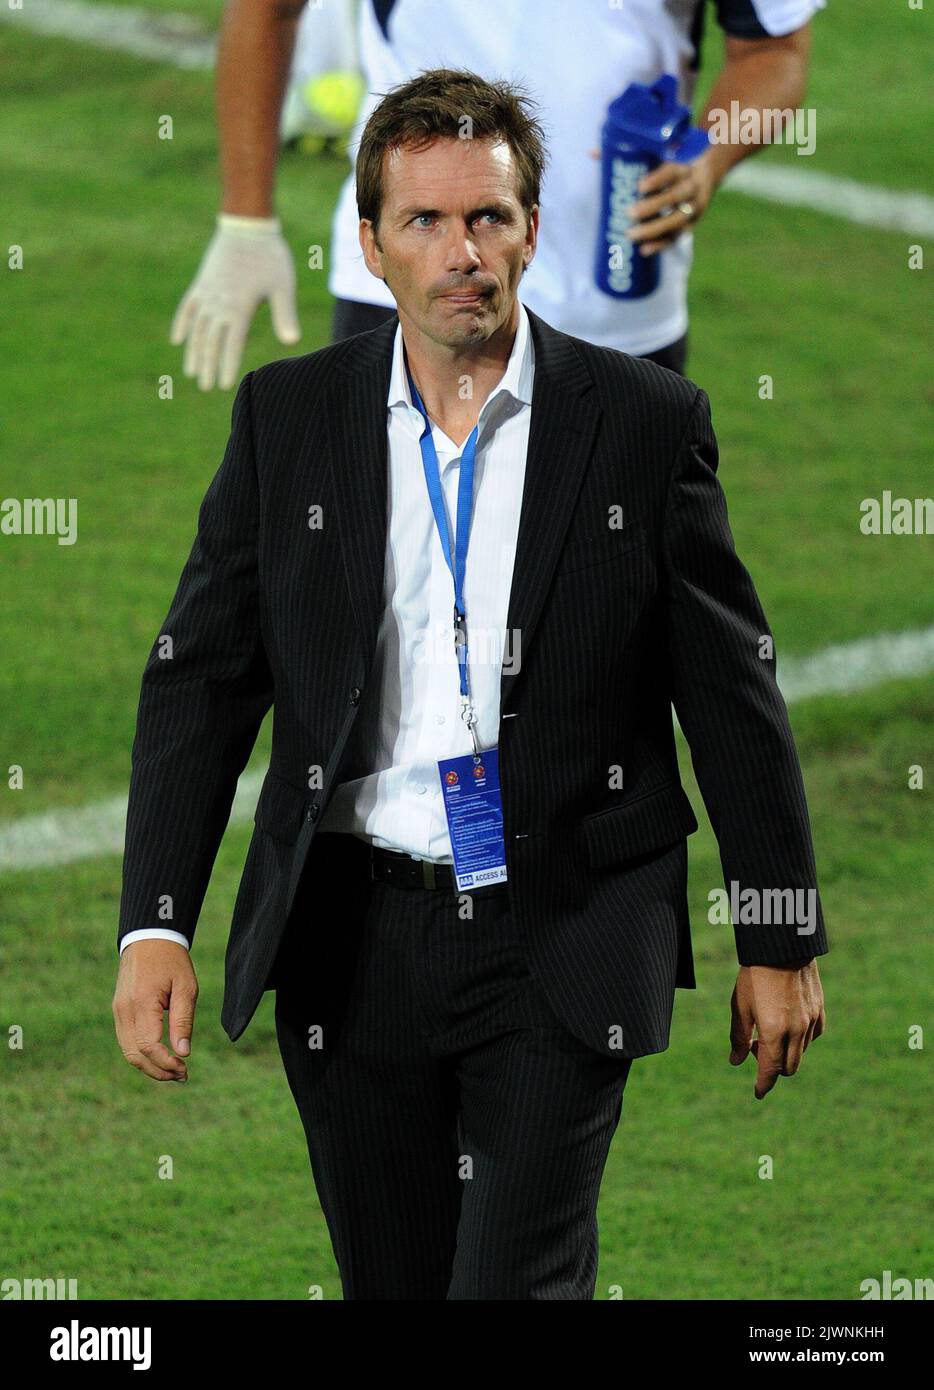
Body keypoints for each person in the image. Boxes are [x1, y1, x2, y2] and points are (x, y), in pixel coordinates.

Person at [116, 69, 828, 1301]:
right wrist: (155, 920)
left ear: (533, 230)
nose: (463, 253)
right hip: (349, 936)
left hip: (561, 926)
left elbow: (729, 690)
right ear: (370, 245)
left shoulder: (644, 425)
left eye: (489, 218)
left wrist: (776, 926)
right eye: (426, 222)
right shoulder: (287, 423)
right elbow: (200, 681)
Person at [171, 0, 822, 389]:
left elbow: (773, 49)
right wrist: (245, 221)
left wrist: (707, 156)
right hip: (402, 299)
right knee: (384, 598)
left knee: (609, 605)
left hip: (616, 312)